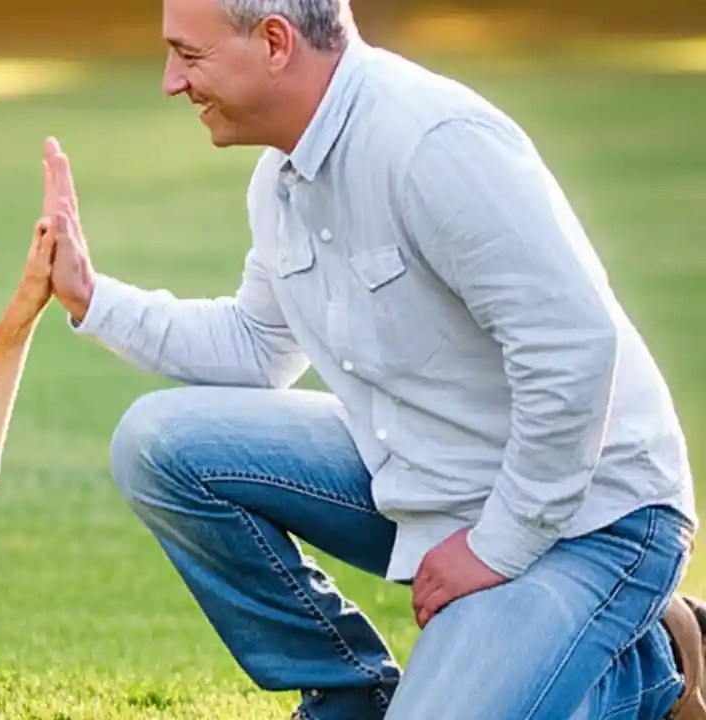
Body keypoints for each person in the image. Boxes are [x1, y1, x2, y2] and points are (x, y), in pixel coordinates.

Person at [35, 0, 705, 717]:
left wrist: (494, 547)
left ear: (273, 42)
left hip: (593, 517)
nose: (172, 81)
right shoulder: (284, 176)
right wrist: (91, 298)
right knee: (160, 443)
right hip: (430, 475)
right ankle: (350, 692)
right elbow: (258, 347)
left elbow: (575, 352)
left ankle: (657, 662)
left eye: (189, 56)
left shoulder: (433, 144)